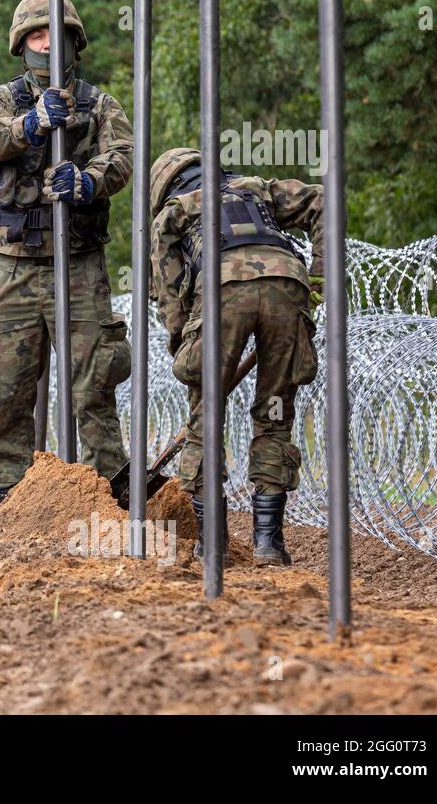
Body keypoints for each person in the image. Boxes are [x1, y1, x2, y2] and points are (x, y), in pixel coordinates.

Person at [0, 0, 133, 508]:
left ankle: (107, 488)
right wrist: (33, 124)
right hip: (14, 266)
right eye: (37, 36)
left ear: (72, 42)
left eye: (55, 35)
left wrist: (86, 182)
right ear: (22, 45)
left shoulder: (99, 103)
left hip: (78, 265)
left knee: (93, 386)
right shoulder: (0, 98)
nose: (47, 44)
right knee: (11, 387)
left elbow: (124, 156)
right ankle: (6, 492)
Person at [149, 147, 324, 565]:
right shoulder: (257, 189)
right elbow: (322, 200)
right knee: (275, 414)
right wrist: (319, 273)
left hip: (221, 291)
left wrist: (189, 353)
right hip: (287, 287)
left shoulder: (171, 213)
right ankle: (269, 544)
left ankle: (213, 545)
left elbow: (169, 296)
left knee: (205, 420)